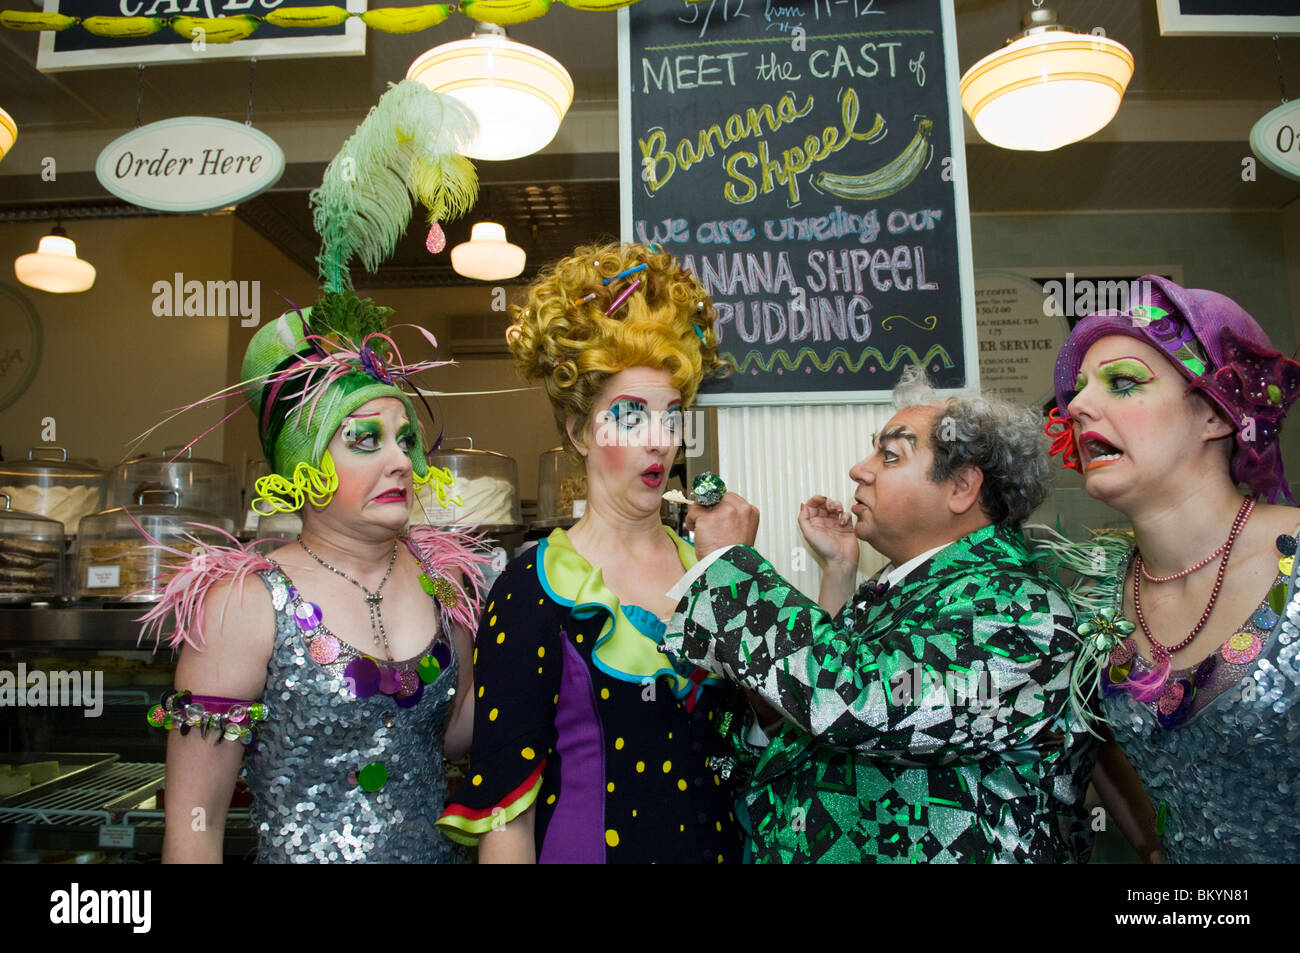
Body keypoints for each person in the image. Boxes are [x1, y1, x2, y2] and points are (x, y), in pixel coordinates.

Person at [662, 367, 1096, 863]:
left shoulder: (1024, 613)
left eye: (889, 456)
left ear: (961, 487)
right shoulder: (902, 593)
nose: (859, 469)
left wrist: (728, 565)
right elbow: (814, 724)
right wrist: (840, 569)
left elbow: (856, 701)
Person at [141, 291, 489, 863]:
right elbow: (194, 830)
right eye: (365, 440)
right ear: (301, 465)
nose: (402, 461)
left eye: (404, 439)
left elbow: (453, 738)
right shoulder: (245, 604)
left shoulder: (442, 583)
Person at [436, 242, 745, 863]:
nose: (659, 441)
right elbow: (504, 812)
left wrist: (741, 579)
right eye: (629, 417)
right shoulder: (535, 587)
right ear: (580, 433)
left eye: (671, 415)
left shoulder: (711, 567)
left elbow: (766, 733)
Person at [1046, 275, 1300, 863]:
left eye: (1125, 383)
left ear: (1215, 414)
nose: (1077, 406)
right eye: (1080, 390)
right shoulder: (1100, 599)